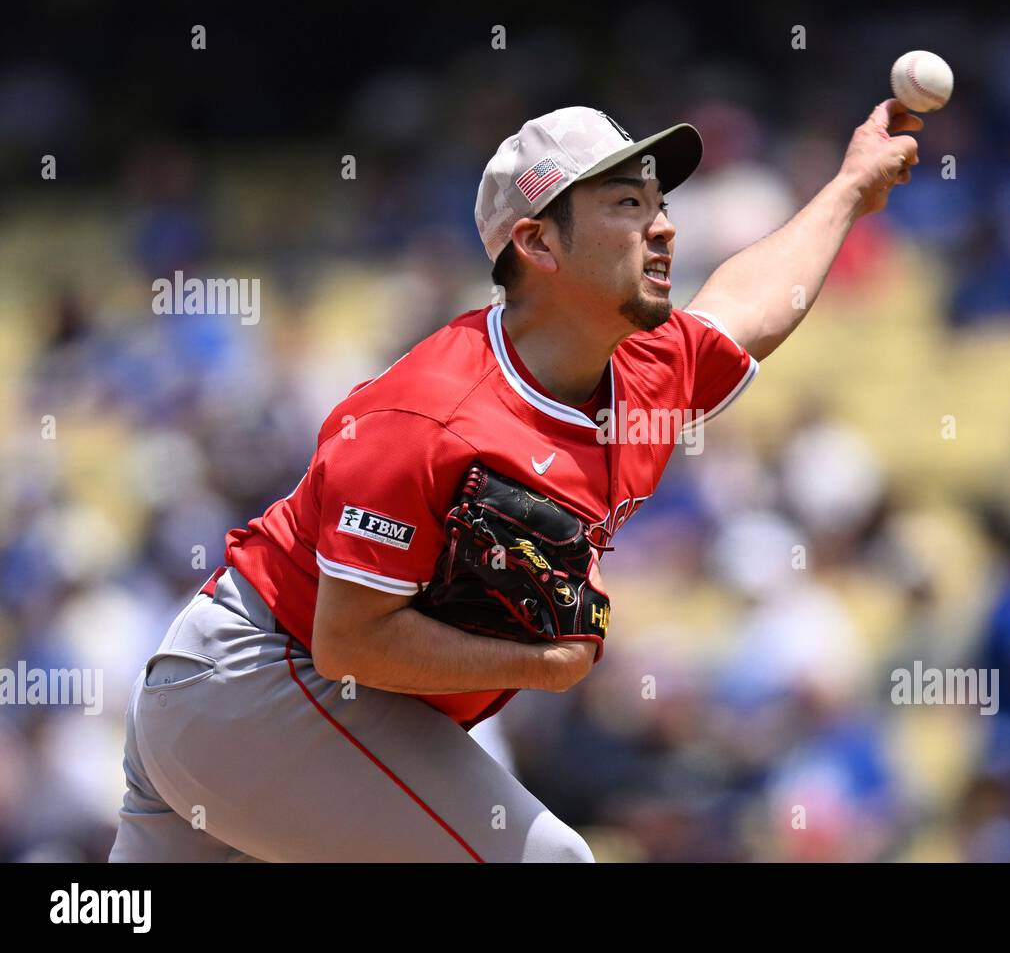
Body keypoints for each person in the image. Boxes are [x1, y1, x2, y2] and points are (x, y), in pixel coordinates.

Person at [108, 102, 921, 862]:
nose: (665, 225)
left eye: (658, 203)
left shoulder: (645, 367)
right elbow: (347, 640)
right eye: (627, 206)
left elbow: (748, 306)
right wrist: (546, 665)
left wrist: (850, 189)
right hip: (259, 682)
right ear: (537, 243)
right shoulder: (425, 417)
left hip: (303, 714)